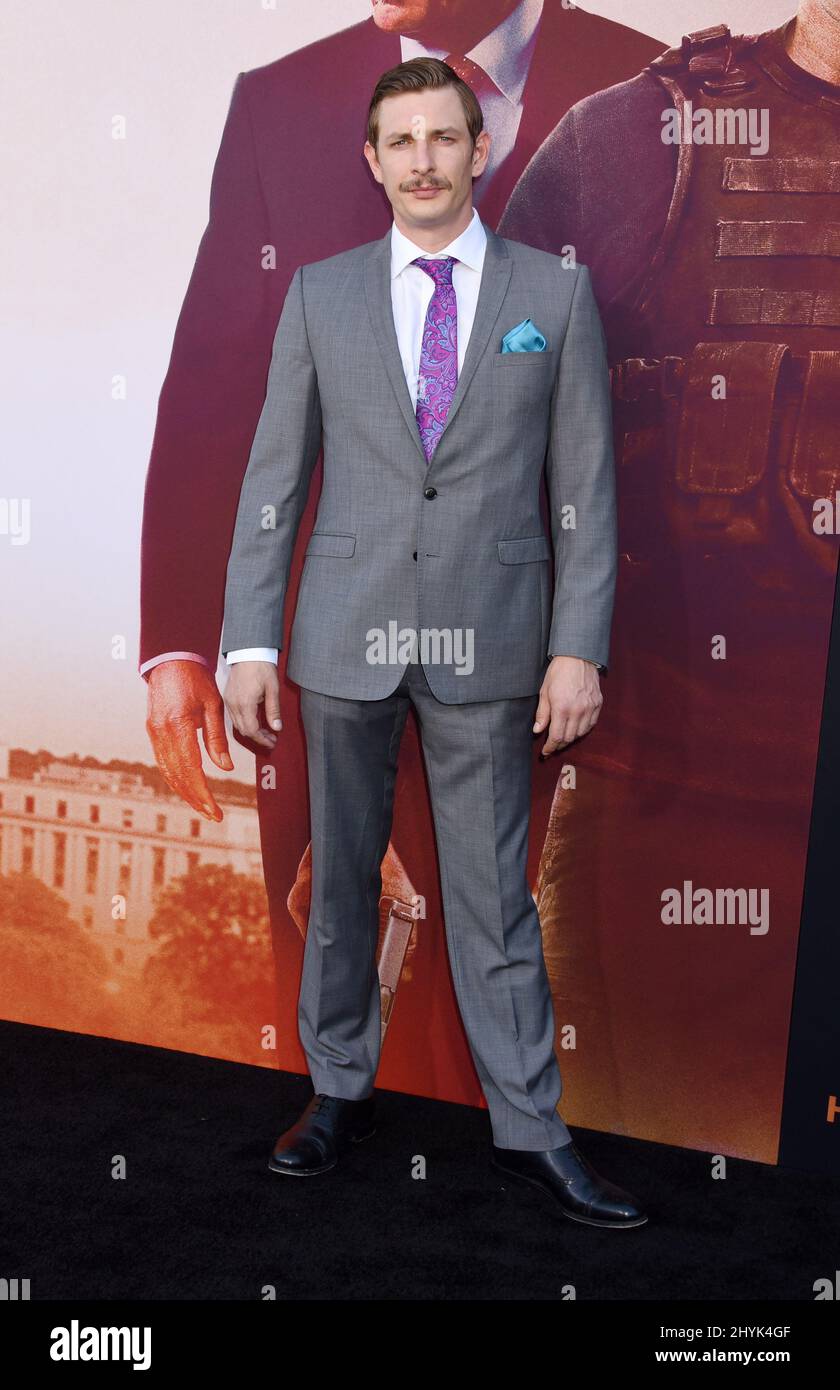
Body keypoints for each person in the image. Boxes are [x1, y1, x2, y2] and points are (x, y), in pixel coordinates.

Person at [138, 1, 667, 1115]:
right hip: (327, 640)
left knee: (534, 974)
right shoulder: (279, 100)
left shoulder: (664, 94)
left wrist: (592, 643)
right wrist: (189, 635)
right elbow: (222, 378)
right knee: (334, 953)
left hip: (565, 661)